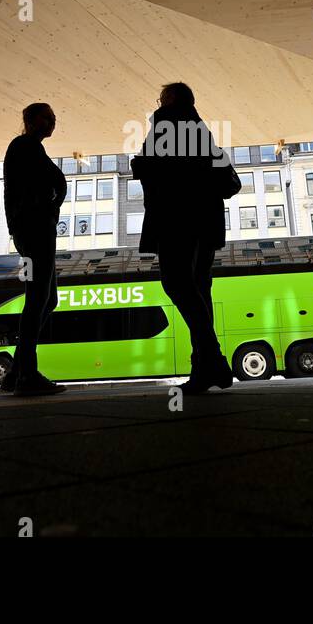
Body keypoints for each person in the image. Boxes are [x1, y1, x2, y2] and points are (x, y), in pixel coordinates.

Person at [131, 83, 240, 394]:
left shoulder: (165, 123)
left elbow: (158, 168)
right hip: (206, 220)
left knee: (177, 283)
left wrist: (139, 164)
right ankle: (204, 368)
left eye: (162, 98)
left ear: (171, 99)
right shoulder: (201, 129)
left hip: (176, 218)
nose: (159, 102)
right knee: (199, 290)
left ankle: (214, 361)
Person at [1, 102, 68, 396]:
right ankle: (26, 375)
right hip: (35, 228)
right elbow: (50, 181)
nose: (52, 122)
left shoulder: (27, 147)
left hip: (32, 228)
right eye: (47, 117)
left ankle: (17, 370)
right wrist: (51, 204)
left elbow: (53, 182)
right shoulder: (25, 146)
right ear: (31, 120)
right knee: (39, 297)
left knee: (46, 298)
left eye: (53, 118)